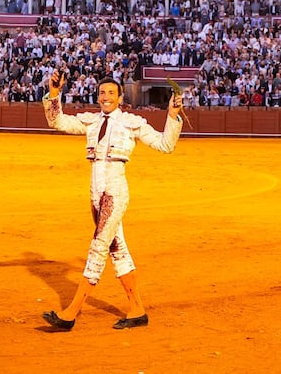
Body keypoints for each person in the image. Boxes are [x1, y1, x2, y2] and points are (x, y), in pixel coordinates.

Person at [40, 71, 184, 331]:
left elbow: (166, 145)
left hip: (115, 191)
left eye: (110, 93)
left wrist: (172, 116)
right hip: (95, 191)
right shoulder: (91, 122)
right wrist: (54, 92)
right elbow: (57, 121)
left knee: (98, 247)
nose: (105, 97)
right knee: (117, 250)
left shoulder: (132, 123)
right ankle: (137, 309)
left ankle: (71, 313)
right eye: (102, 93)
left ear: (120, 98)